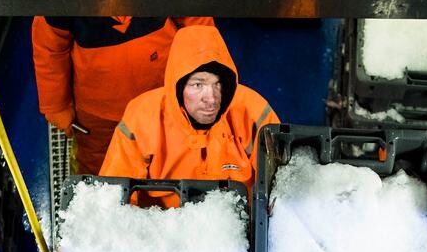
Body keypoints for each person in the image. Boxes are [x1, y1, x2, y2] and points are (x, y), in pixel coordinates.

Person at [98, 24, 278, 199]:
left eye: (219, 84)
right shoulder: (142, 116)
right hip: (161, 225)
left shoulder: (252, 110)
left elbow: (281, 184)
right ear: (178, 86)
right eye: (198, 84)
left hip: (238, 223)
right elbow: (113, 196)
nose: (211, 98)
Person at [32, 15, 215, 174]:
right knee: (98, 166)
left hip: (164, 99)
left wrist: (205, 80)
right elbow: (50, 48)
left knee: (174, 155)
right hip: (99, 112)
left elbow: (198, 26)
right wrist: (56, 105)